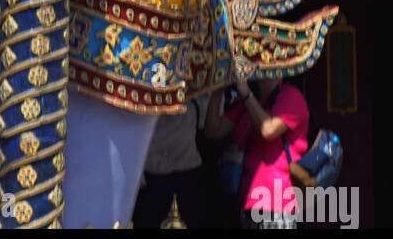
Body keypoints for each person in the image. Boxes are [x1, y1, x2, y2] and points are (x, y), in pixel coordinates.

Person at [204, 77, 310, 229]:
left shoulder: (291, 96)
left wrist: (245, 93)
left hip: (277, 203)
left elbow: (268, 130)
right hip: (247, 201)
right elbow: (213, 130)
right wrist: (217, 92)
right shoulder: (249, 103)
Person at [133, 91, 218, 229]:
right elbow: (208, 124)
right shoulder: (194, 100)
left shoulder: (143, 104)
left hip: (174, 174)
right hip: (163, 175)